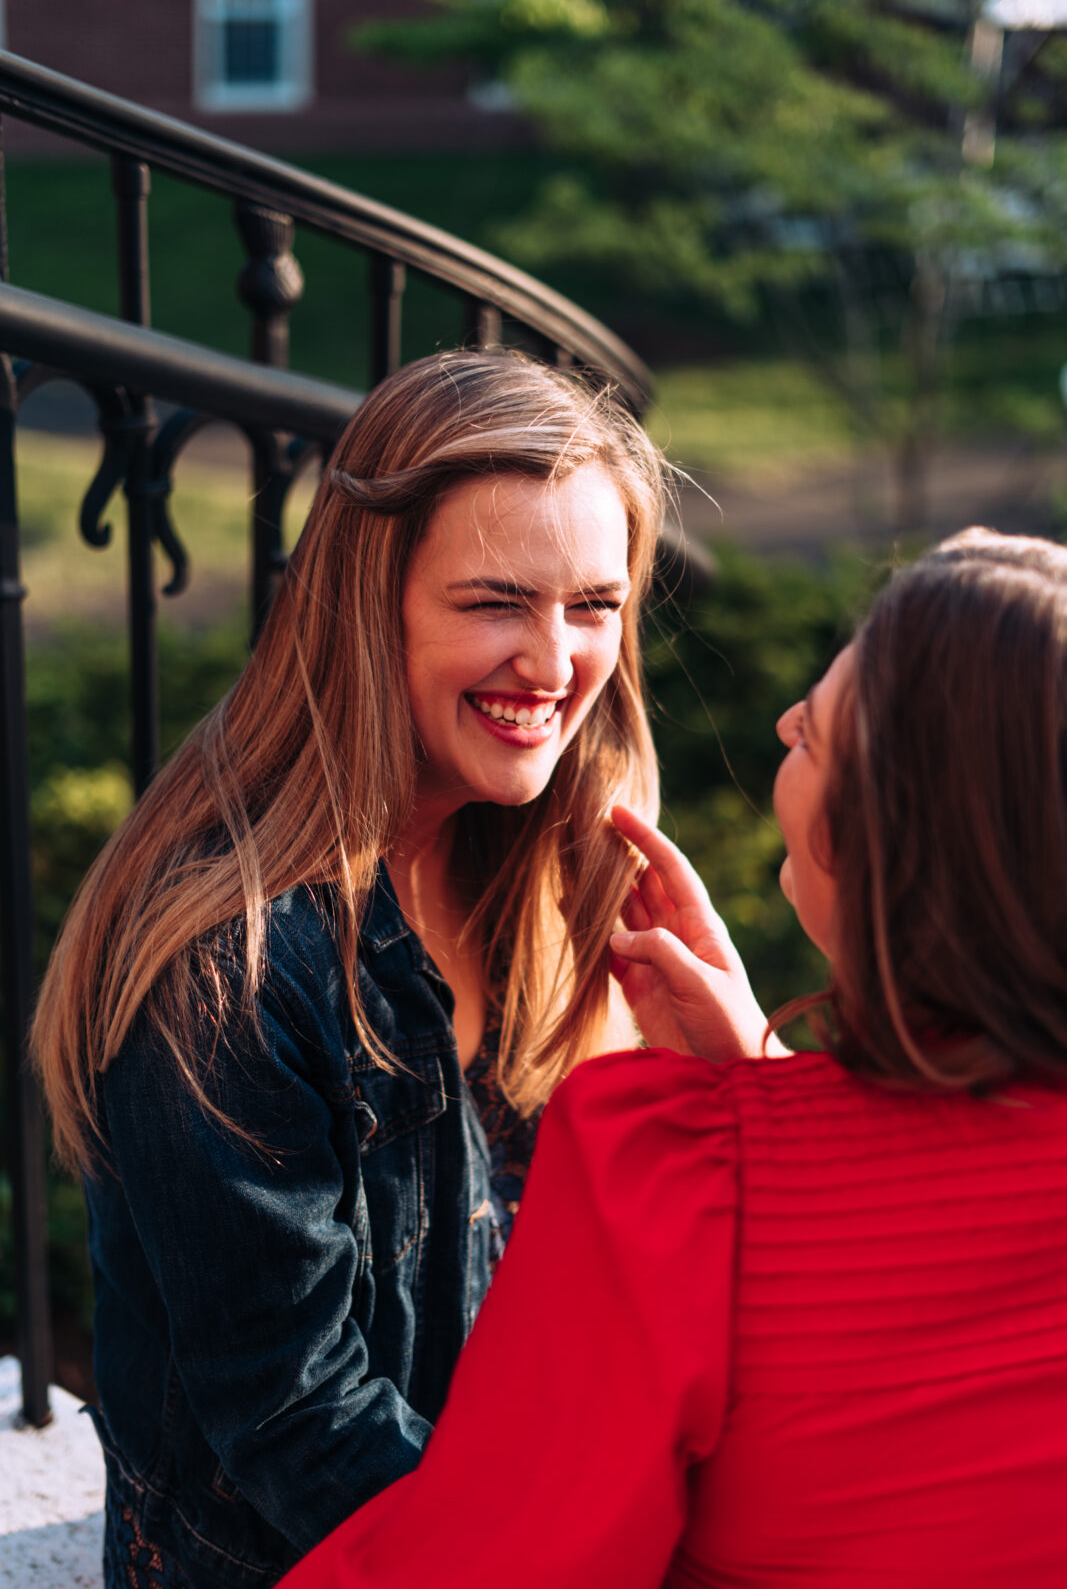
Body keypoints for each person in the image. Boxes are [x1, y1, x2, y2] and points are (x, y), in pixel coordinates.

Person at [278, 528, 1067, 1589]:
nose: (784, 721)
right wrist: (759, 1070)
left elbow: (497, 1561)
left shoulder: (680, 1181)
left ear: (895, 838)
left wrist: (749, 1130)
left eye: (816, 734)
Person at [30, 349, 668, 1589]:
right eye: (495, 602)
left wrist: (731, 1071)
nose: (553, 662)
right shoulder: (228, 970)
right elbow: (302, 1424)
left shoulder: (546, 866)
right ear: (370, 605)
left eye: (593, 604)